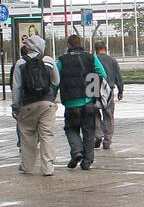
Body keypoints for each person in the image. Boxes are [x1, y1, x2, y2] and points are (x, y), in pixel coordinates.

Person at [56, 34, 107, 171]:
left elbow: (55, 80)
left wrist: (54, 94)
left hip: (70, 102)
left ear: (68, 45)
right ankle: (87, 161)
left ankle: (77, 151)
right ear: (81, 44)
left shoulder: (61, 60)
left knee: (71, 128)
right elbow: (102, 74)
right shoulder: (91, 57)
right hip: (88, 101)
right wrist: (92, 87)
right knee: (88, 131)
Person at [11, 34, 59, 176]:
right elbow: (56, 81)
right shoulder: (49, 61)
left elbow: (16, 87)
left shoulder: (20, 63)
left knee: (27, 136)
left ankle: (27, 166)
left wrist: (15, 106)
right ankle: (48, 168)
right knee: (47, 135)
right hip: (47, 103)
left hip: (28, 105)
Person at [93, 39, 124, 150]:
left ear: (95, 50)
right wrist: (121, 90)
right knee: (109, 115)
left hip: (94, 90)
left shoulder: (93, 59)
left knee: (95, 113)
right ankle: (107, 140)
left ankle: (97, 134)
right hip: (108, 91)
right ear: (105, 49)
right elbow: (118, 77)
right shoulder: (112, 60)